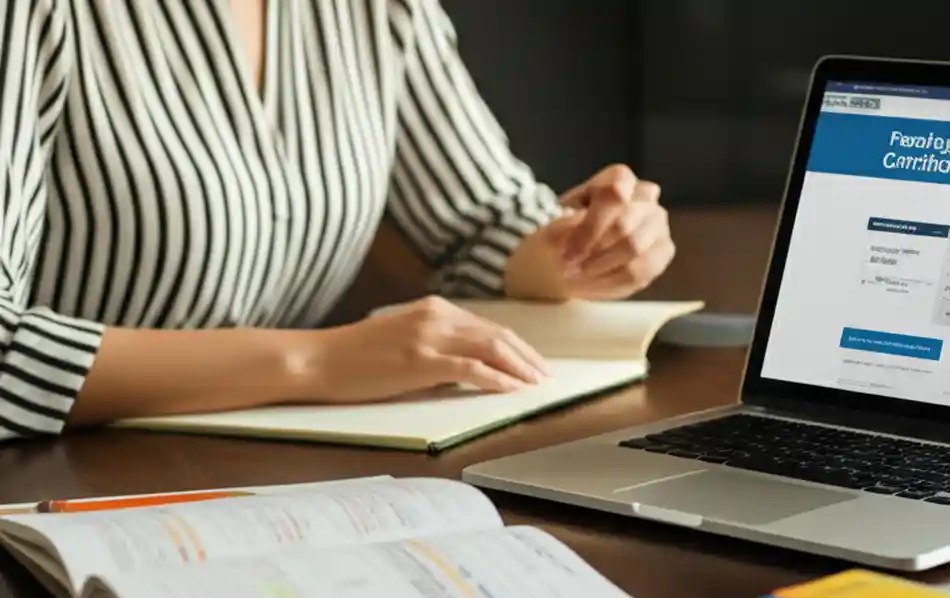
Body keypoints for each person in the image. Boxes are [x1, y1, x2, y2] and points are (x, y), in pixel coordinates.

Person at [0, 0, 675, 441]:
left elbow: (483, 221)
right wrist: (317, 361)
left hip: (279, 475)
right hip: (64, 480)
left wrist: (585, 249)